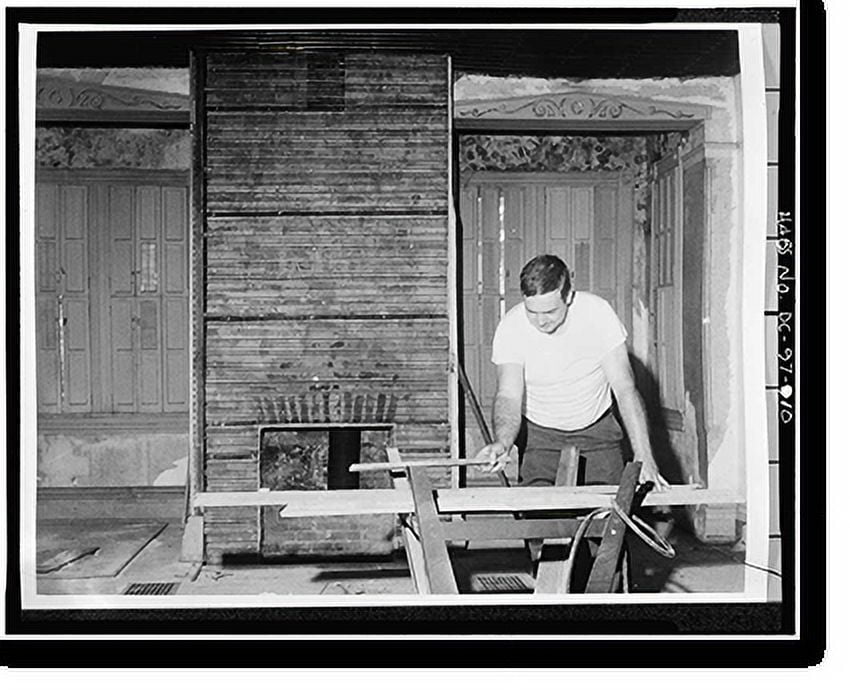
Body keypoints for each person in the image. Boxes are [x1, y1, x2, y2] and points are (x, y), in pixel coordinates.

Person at [476, 254, 669, 490]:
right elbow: (508, 395)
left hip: (598, 434)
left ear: (568, 296)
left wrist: (644, 456)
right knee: (541, 511)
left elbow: (625, 388)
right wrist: (503, 443)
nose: (540, 321)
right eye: (532, 312)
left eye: (549, 311)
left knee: (609, 509)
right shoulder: (511, 327)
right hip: (540, 438)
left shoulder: (598, 314)